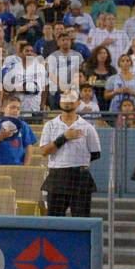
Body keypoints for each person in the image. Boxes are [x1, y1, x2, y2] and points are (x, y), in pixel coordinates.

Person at [39, 88, 101, 216]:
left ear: (78, 103)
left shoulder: (88, 127)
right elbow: (44, 151)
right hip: (57, 176)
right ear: (60, 103)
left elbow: (96, 153)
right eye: (64, 100)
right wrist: (64, 138)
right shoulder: (50, 125)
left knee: (81, 219)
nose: (67, 103)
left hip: (80, 177)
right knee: (54, 219)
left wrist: (77, 162)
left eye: (71, 100)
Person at [0, 99, 37, 165]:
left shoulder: (24, 126)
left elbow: (29, 146)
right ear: (4, 108)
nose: (16, 110)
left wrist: (26, 165)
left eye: (18, 108)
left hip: (18, 165)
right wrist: (0, 137)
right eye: (13, 107)